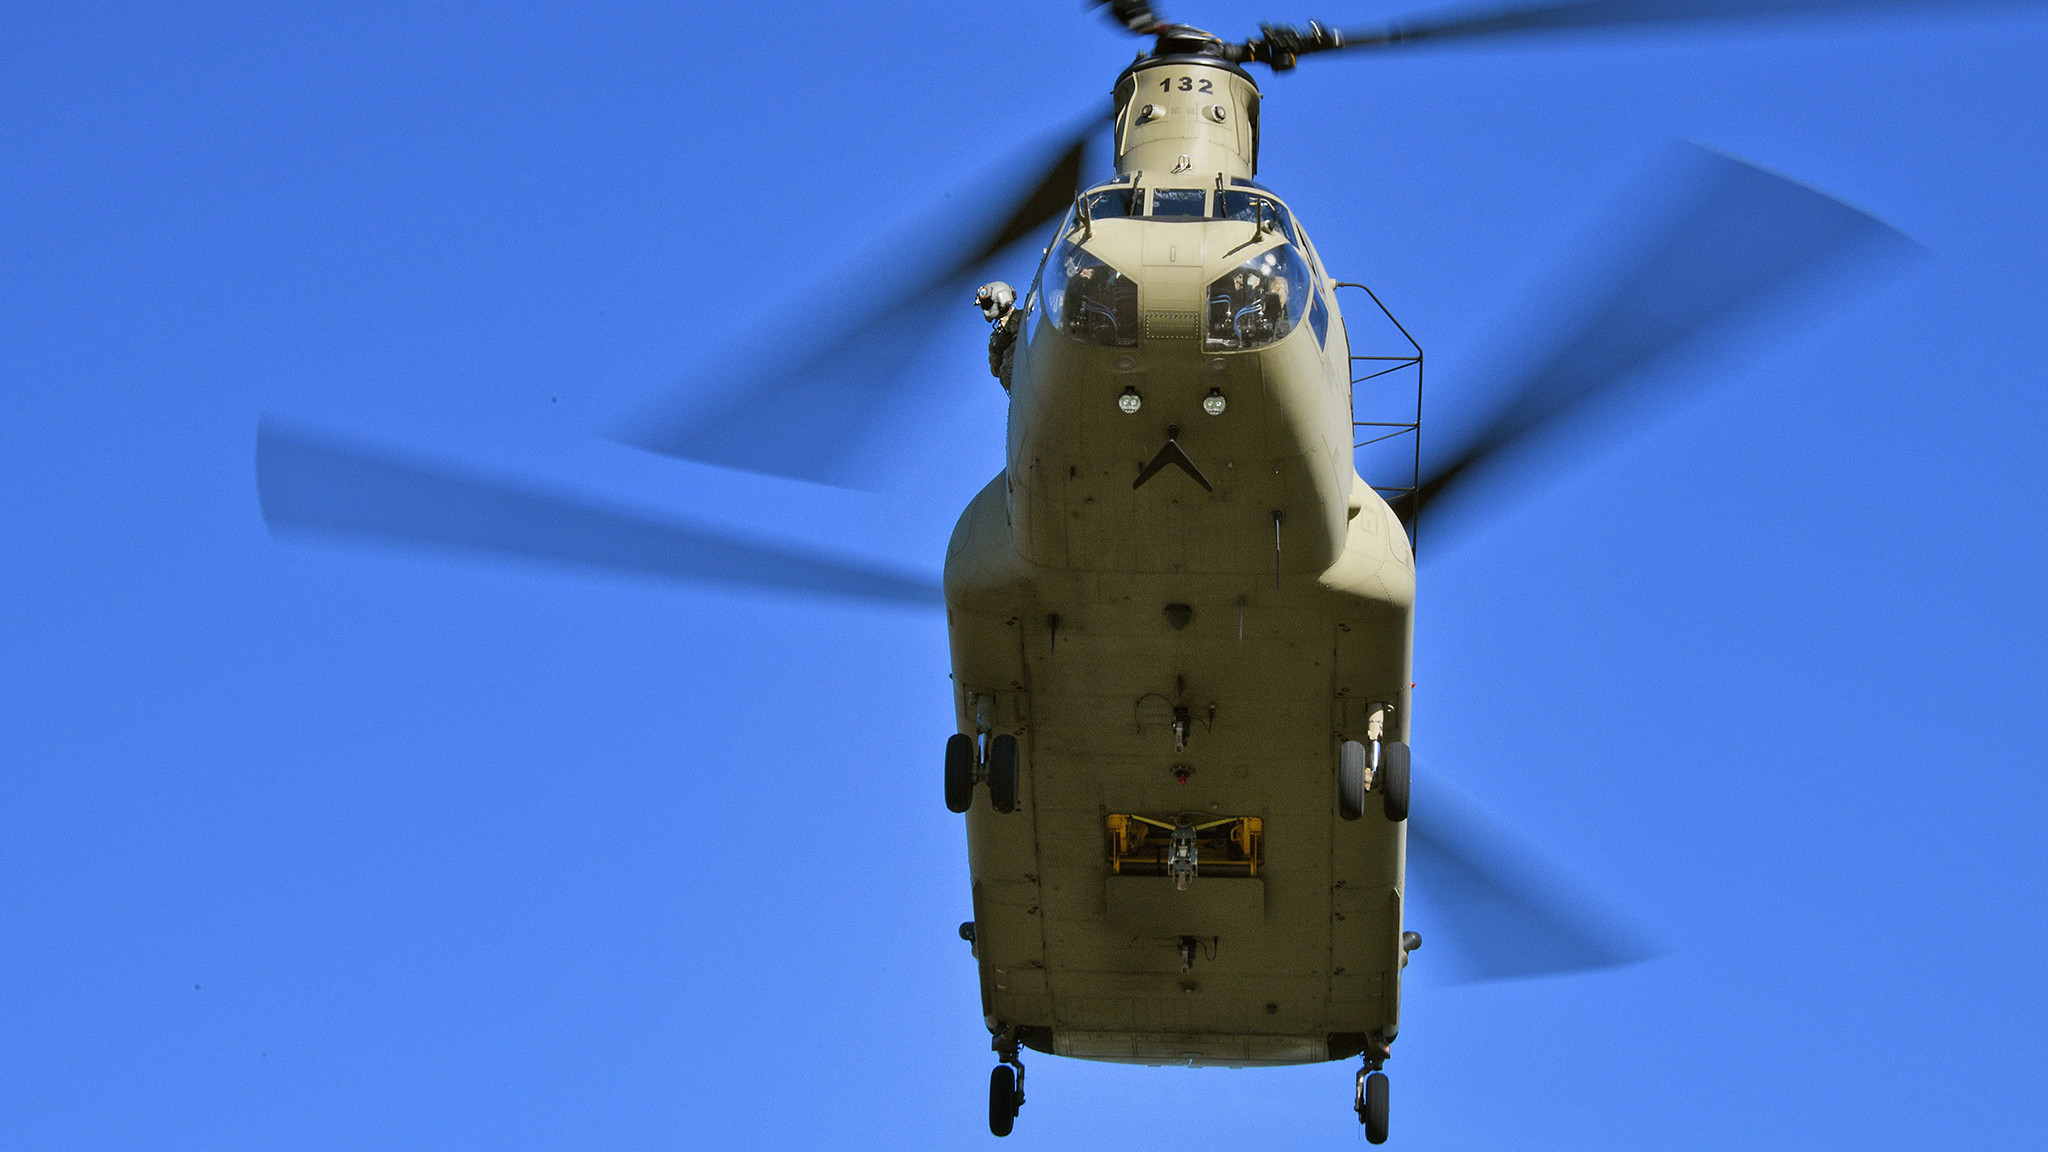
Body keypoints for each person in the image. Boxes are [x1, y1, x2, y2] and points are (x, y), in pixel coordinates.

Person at [975, 281, 1021, 391]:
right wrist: (996, 351)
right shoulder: (996, 337)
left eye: (987, 304)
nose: (986, 310)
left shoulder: (1024, 317)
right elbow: (995, 371)